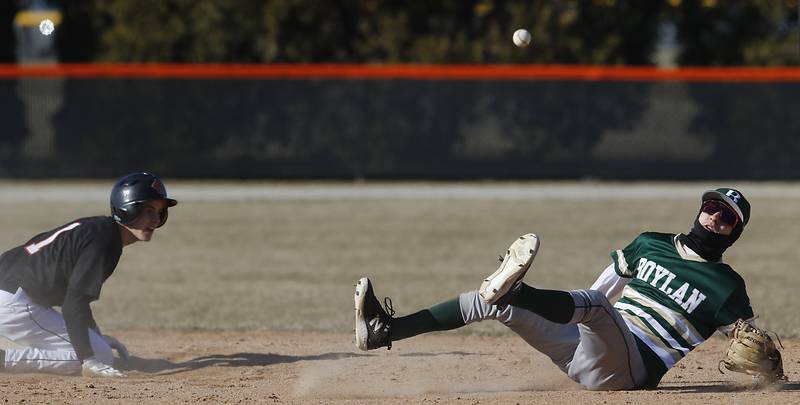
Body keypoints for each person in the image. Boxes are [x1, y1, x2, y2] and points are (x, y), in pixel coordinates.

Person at [354, 188, 758, 390]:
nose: (714, 217)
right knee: (488, 303)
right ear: (700, 208)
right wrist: (573, 315)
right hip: (586, 349)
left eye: (726, 217)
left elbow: (747, 342)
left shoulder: (727, 286)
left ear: (734, 233)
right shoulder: (650, 243)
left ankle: (517, 291)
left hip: (633, 371)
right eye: (712, 206)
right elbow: (598, 290)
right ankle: (384, 330)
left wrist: (767, 366)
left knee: (595, 306)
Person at [0, 172, 177, 377]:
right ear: (126, 209)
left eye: (160, 212)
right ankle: (5, 360)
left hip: (13, 294)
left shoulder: (99, 229)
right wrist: (91, 358)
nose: (155, 219)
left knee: (96, 349)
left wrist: (97, 336)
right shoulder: (104, 242)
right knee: (97, 356)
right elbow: (73, 303)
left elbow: (76, 299)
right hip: (13, 303)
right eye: (148, 210)